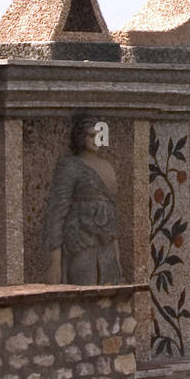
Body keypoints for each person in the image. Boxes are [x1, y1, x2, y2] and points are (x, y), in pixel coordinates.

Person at [44, 117, 121, 285]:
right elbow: (57, 211)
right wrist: (55, 262)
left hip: (106, 246)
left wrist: (117, 255)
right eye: (91, 135)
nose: (96, 140)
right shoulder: (70, 166)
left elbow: (112, 215)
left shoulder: (108, 167)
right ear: (81, 137)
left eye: (100, 136)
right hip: (80, 244)